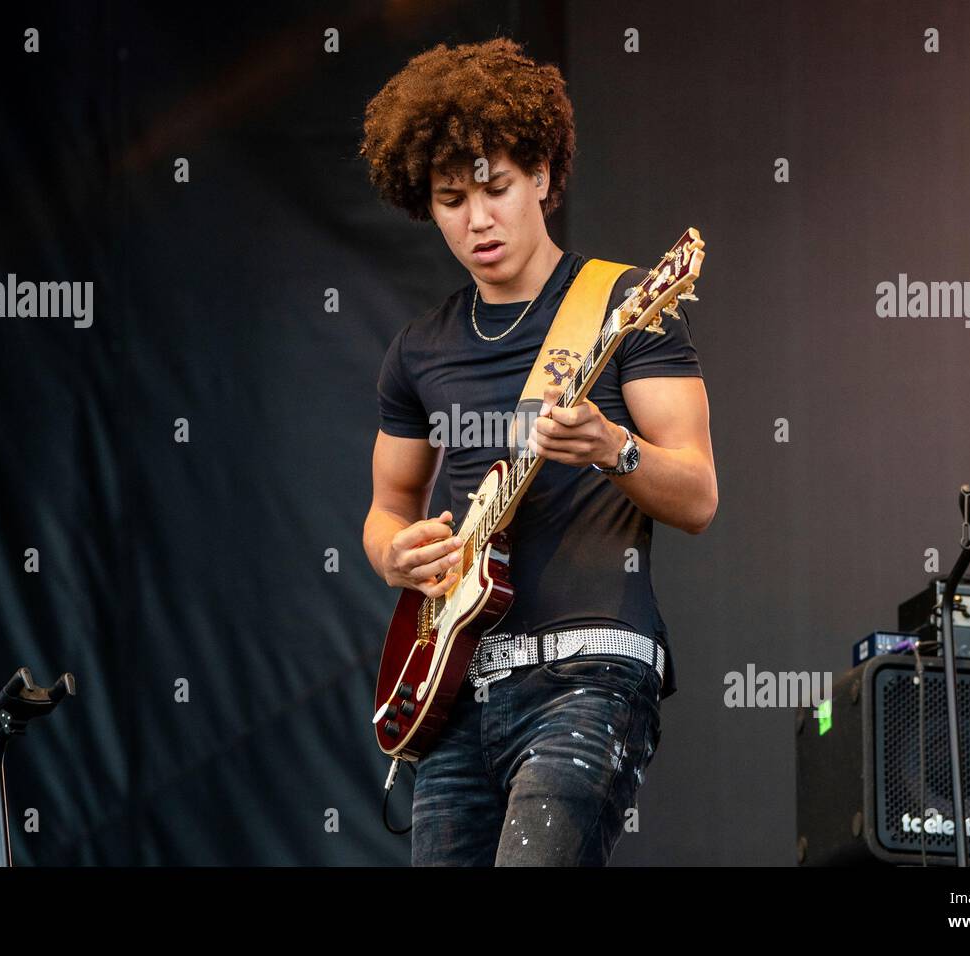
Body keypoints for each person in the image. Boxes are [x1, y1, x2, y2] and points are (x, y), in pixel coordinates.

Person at [359, 37, 718, 865]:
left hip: (591, 675)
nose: (477, 218)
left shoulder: (628, 303)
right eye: (451, 199)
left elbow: (698, 496)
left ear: (544, 179)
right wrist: (395, 555)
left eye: (496, 187)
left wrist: (611, 445)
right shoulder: (418, 349)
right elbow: (385, 512)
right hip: (457, 685)